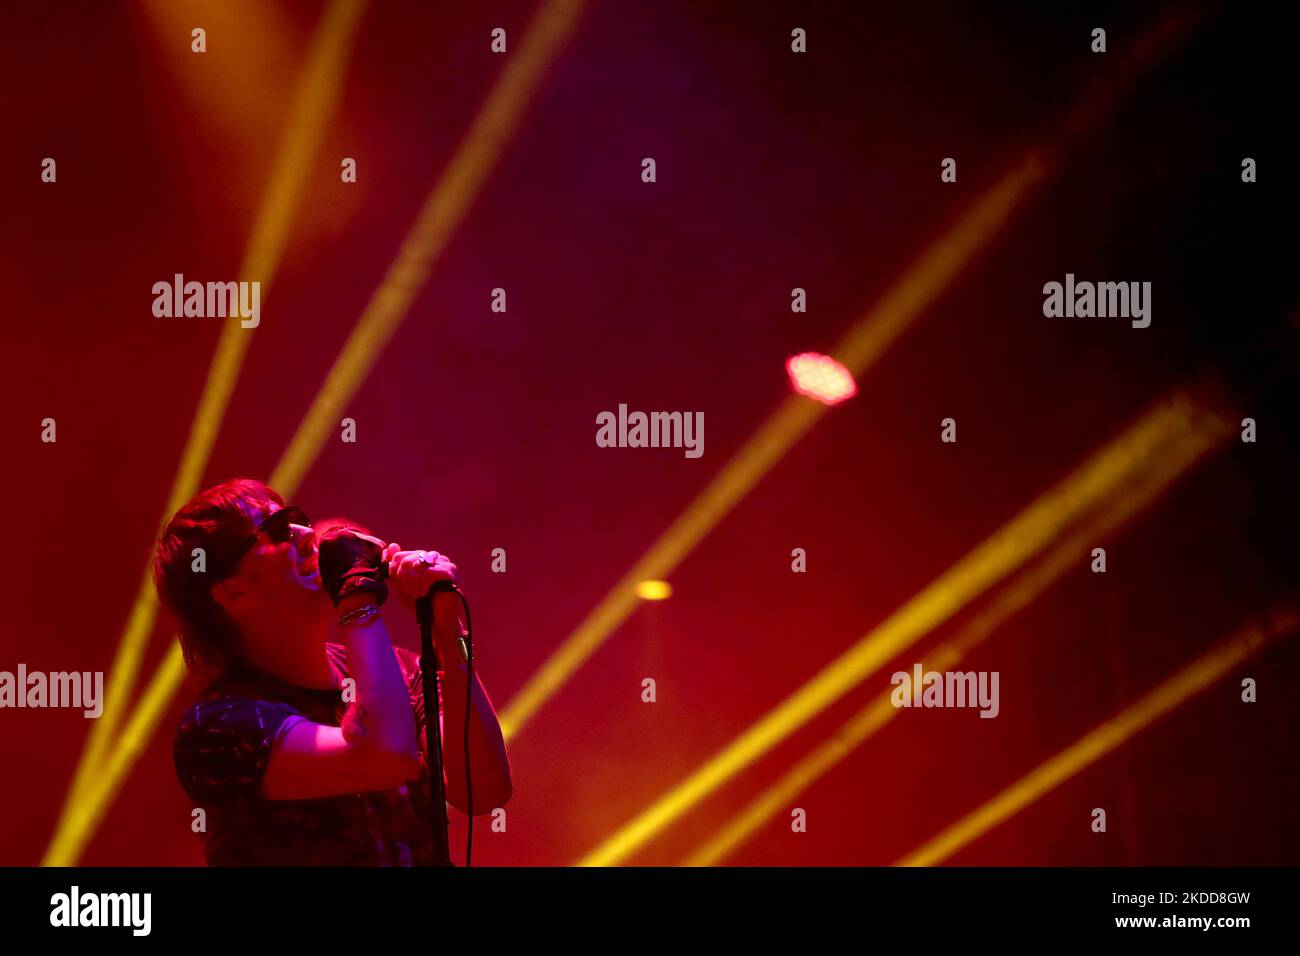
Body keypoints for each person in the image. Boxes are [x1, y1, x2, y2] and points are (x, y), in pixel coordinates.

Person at [152, 477, 512, 865]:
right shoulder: (218, 728)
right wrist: (357, 595)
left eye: (298, 520)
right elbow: (386, 755)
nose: (308, 534)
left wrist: (447, 634)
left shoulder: (402, 670)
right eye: (277, 529)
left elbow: (483, 790)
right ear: (232, 592)